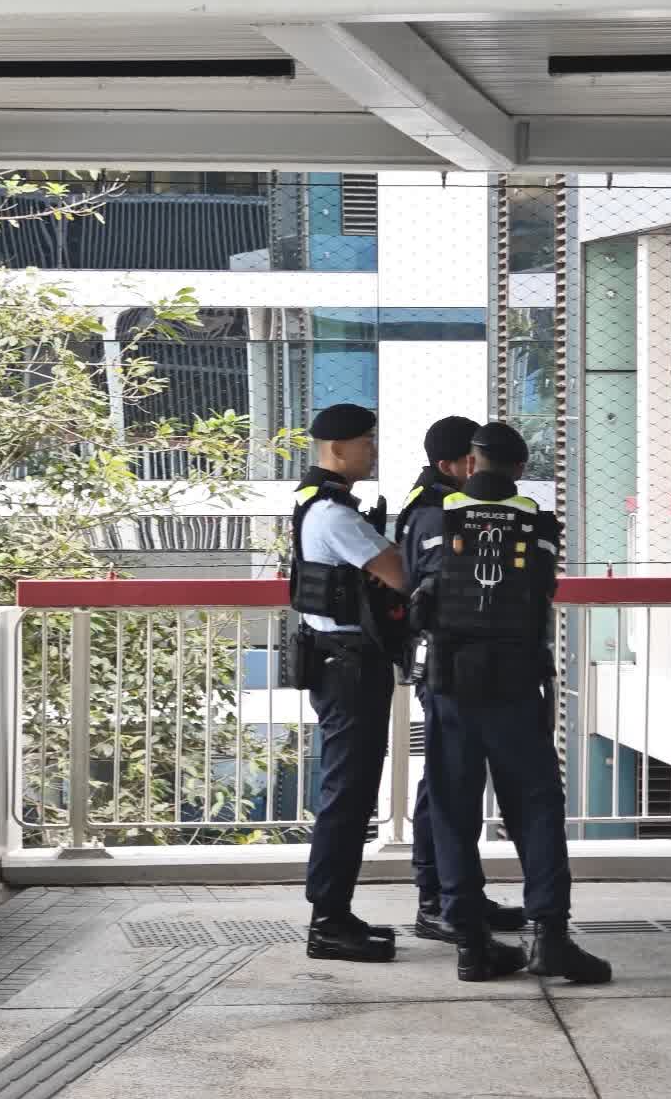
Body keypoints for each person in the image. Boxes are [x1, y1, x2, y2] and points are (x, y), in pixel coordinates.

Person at [414, 422, 613, 985]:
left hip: (451, 684)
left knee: (452, 810)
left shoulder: (433, 519)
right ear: (520, 469)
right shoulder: (539, 525)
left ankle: (471, 945)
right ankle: (550, 937)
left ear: (471, 464)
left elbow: (415, 593)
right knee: (536, 808)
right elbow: (542, 590)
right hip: (519, 686)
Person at [397, 415, 528, 943]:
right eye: (471, 459)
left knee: (450, 784)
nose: (479, 468)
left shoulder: (432, 507)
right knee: (445, 787)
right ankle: (437, 899)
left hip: (449, 664)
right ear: (449, 465)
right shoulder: (434, 515)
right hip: (448, 665)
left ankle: (460, 895)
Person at [288, 402, 409, 963]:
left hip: (340, 663)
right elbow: (398, 573)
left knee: (350, 792)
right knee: (347, 794)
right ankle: (329, 920)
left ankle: (334, 913)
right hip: (349, 666)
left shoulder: (319, 504)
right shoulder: (335, 515)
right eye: (366, 441)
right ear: (337, 449)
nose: (373, 450)